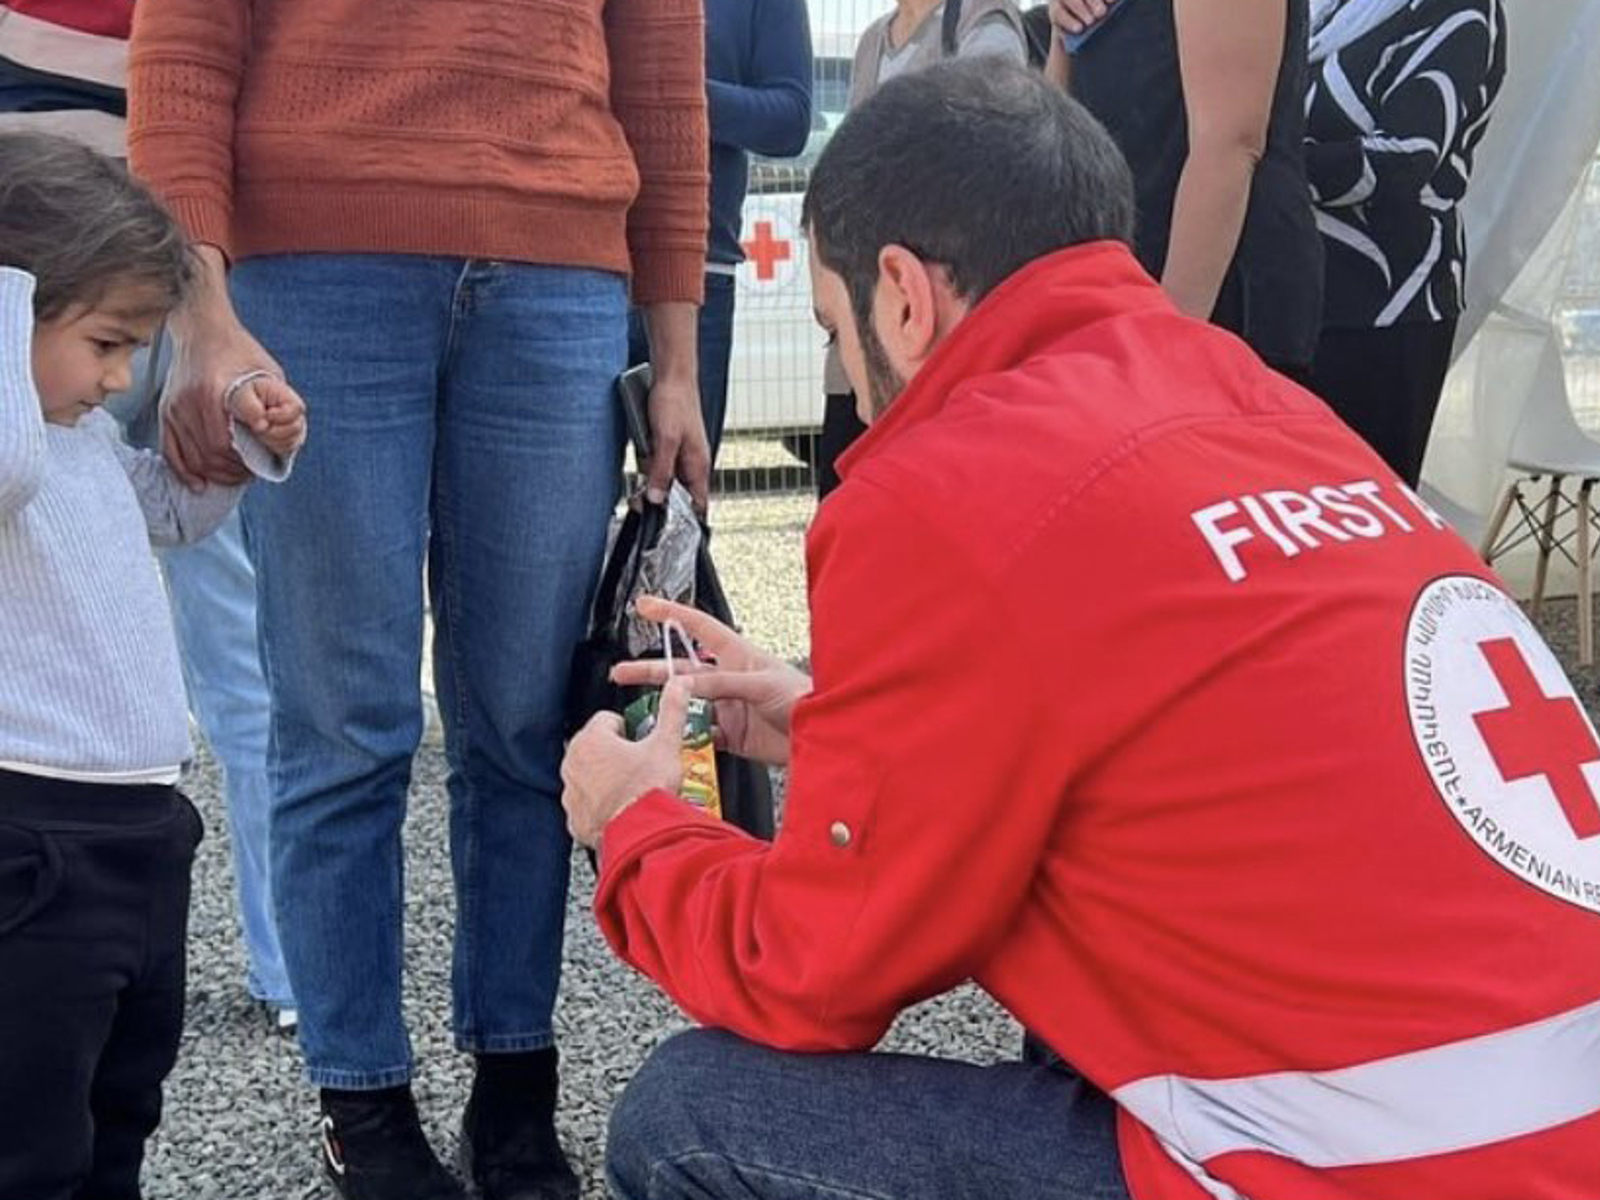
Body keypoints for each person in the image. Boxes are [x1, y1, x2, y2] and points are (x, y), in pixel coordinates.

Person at [561, 61, 1600, 1200]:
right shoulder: (1253, 399)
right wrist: (836, 726)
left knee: (692, 1114)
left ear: (902, 296)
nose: (852, 390)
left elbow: (814, 972)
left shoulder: (944, 487)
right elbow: (1194, 755)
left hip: (1379, 1168)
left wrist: (637, 827)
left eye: (834, 330)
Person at [127, 1, 711, 1196]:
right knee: (342, 722)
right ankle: (361, 1098)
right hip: (314, 263)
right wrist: (203, 305)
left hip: (558, 268)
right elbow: (185, 41)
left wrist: (681, 364)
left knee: (523, 726)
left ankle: (516, 1079)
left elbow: (660, 70)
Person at [0, 131, 303, 1200]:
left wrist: (236, 437)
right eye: (107, 342)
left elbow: (172, 507)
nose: (123, 376)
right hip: (31, 840)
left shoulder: (78, 441)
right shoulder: (11, 443)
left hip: (139, 833)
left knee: (119, 1109)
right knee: (25, 1133)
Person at [1044, 0, 1324, 380]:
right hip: (1111, 284)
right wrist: (1064, 30)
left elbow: (1229, 146)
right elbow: (1056, 123)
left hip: (1210, 296)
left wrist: (1165, 341)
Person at [816, 0, 1027, 498]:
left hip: (934, 347)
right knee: (847, 511)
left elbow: (997, 141)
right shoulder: (872, 42)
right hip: (859, 346)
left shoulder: (982, 20)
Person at [1303, 0, 1508, 485]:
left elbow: (1409, 158)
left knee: (1366, 509)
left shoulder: (1459, 10)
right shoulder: (1321, 11)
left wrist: (1262, 162)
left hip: (1389, 303)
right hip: (1294, 293)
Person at [630, 0, 814, 467]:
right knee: (564, 509)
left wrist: (677, 93)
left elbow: (790, 119)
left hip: (701, 269)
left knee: (678, 503)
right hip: (581, 262)